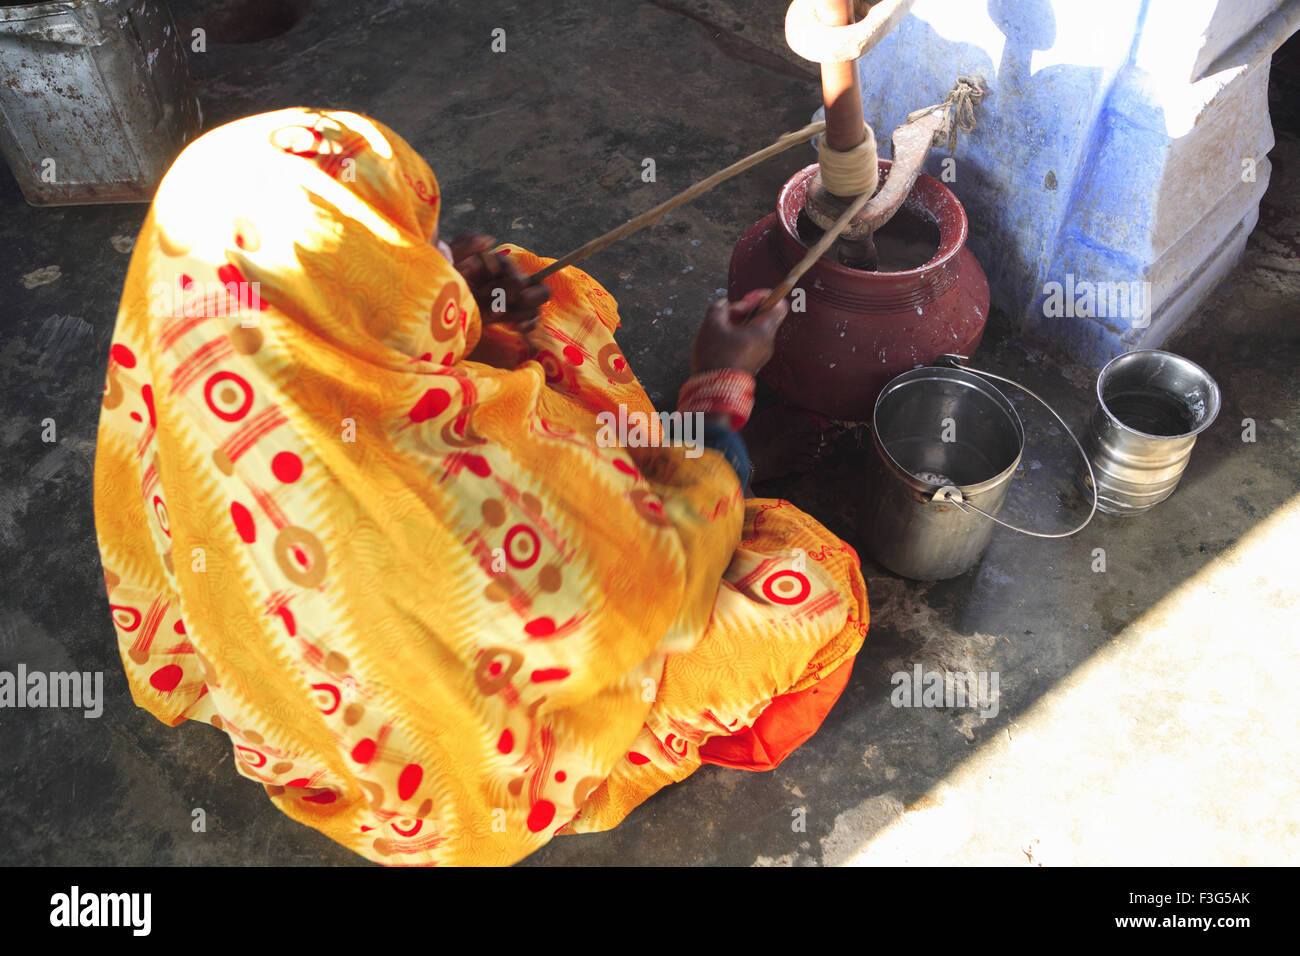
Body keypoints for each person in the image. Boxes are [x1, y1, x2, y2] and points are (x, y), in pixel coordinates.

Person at [94, 108, 869, 866]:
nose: (440, 252)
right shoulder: (451, 504)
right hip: (460, 790)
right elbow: (653, 593)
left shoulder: (191, 351)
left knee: (534, 297)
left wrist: (468, 312)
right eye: (416, 245)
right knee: (812, 586)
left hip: (305, 714)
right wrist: (716, 392)